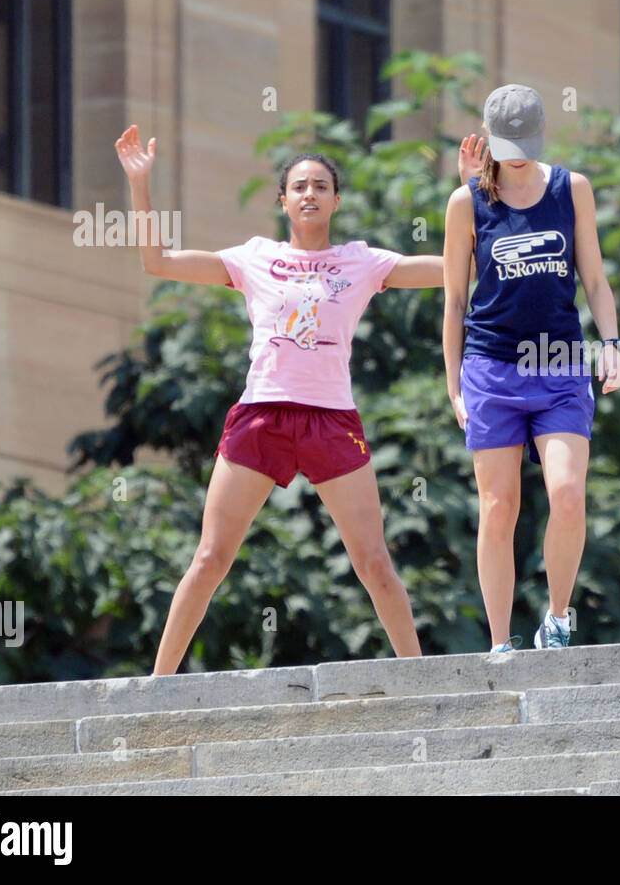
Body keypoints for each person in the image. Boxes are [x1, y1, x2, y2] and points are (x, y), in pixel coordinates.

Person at [113, 124, 447, 673]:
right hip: (262, 415)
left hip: (332, 420)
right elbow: (159, 263)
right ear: (284, 201)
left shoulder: (363, 262)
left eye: (321, 185)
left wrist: (470, 201)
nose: (310, 193)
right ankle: (158, 686)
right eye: (299, 186)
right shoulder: (254, 258)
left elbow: (462, 270)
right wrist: (140, 187)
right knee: (210, 557)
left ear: (336, 201)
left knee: (374, 562)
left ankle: (420, 679)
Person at [443, 85, 620, 653]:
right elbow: (453, 299)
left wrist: (612, 343)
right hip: (492, 365)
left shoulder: (572, 188)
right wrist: (453, 388)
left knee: (568, 493)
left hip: (560, 363)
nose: (516, 152)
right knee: (500, 507)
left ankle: (558, 617)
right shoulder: (465, 201)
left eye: (525, 142)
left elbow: (593, 278)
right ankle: (500, 640)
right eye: (507, 143)